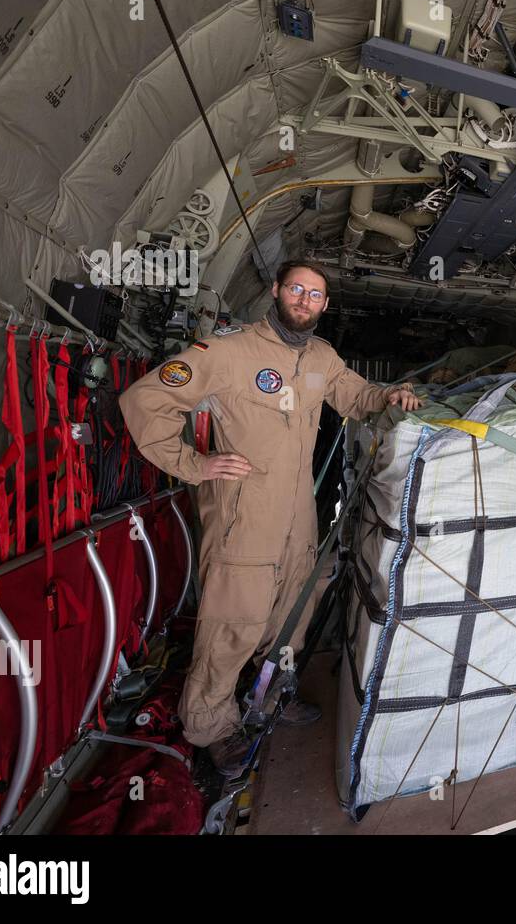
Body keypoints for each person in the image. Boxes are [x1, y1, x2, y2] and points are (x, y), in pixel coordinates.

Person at [120, 260, 421, 775]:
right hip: (244, 516)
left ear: (325, 305)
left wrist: (389, 397)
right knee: (233, 624)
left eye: (317, 294)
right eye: (297, 289)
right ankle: (210, 725)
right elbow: (144, 400)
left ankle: (268, 699)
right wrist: (194, 464)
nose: (305, 300)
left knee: (290, 616)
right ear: (278, 291)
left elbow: (357, 397)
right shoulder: (229, 352)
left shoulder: (321, 357)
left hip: (298, 516)